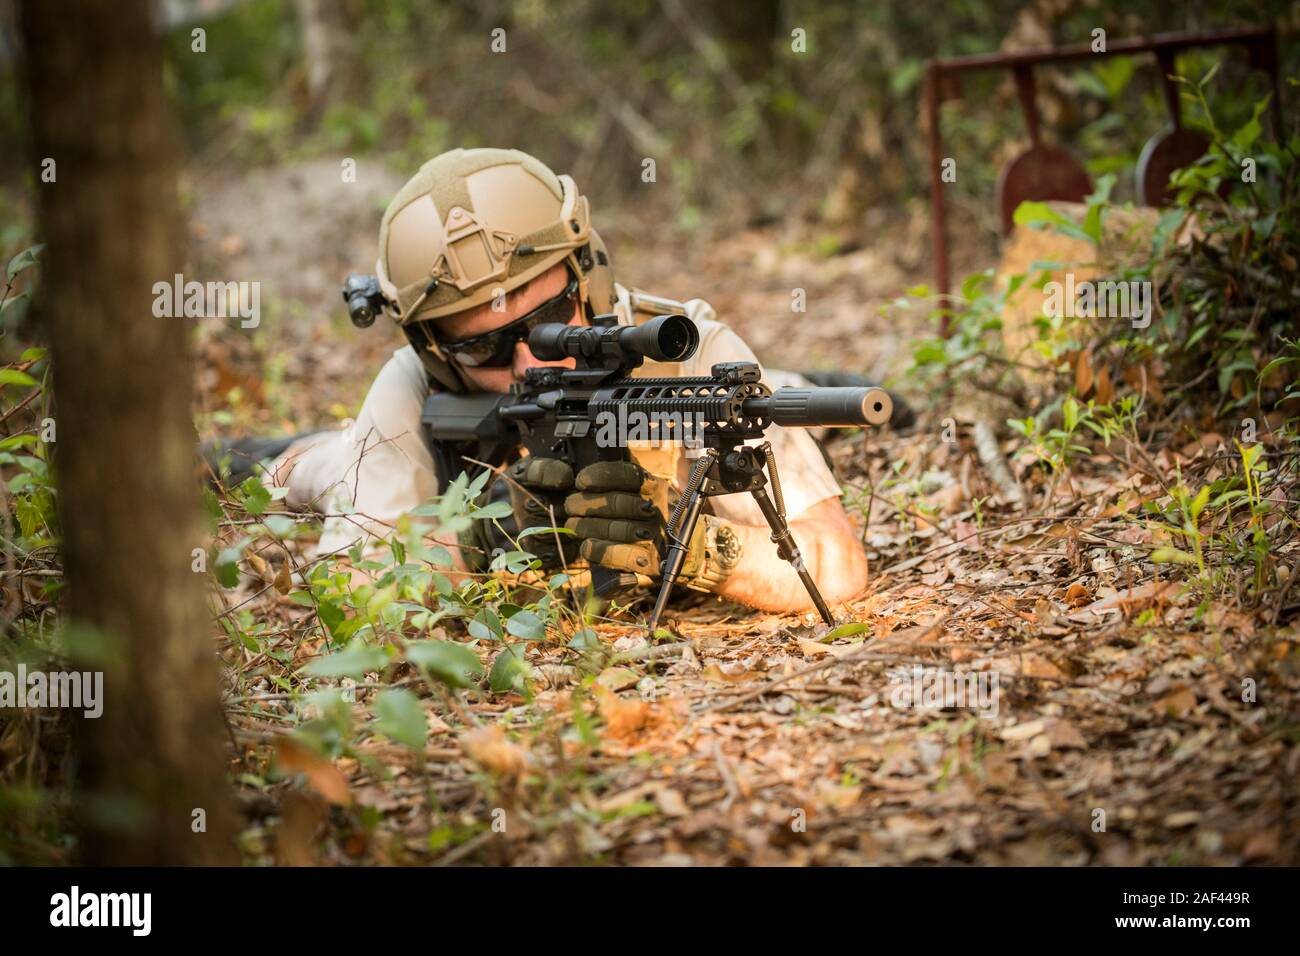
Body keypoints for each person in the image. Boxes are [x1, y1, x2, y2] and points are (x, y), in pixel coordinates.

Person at [211, 148, 884, 614]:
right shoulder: (413, 387)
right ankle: (276, 455)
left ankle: (805, 380)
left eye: (552, 316)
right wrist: (486, 536)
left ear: (586, 274)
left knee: (789, 394)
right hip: (348, 456)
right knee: (311, 471)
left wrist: (703, 553)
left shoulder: (692, 353)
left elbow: (838, 565)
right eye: (484, 344)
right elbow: (354, 597)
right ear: (436, 350)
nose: (533, 362)